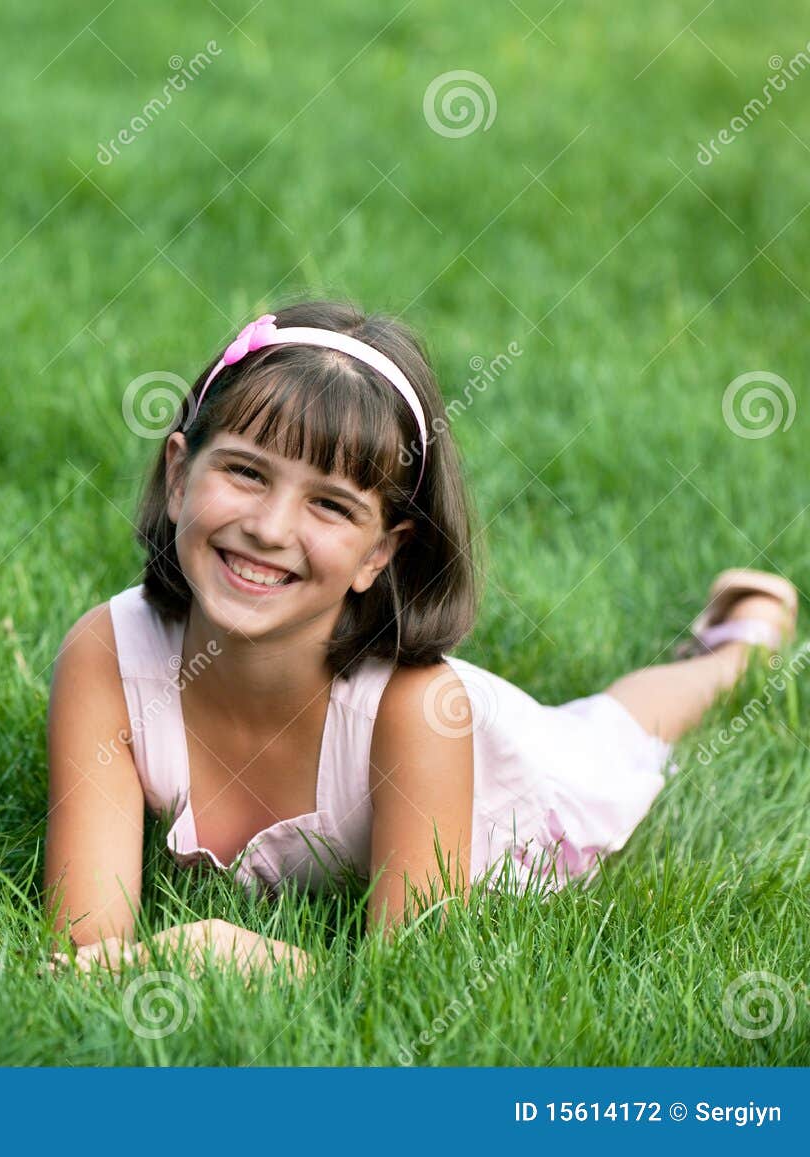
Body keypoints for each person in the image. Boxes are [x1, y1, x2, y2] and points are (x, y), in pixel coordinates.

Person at [44, 300, 795, 978]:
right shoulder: (108, 655)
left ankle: (739, 645)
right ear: (179, 475)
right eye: (245, 472)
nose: (270, 529)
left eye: (331, 506)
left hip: (513, 783)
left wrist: (234, 953)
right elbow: (82, 944)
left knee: (612, 734)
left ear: (381, 551)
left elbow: (403, 973)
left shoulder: (416, 705)